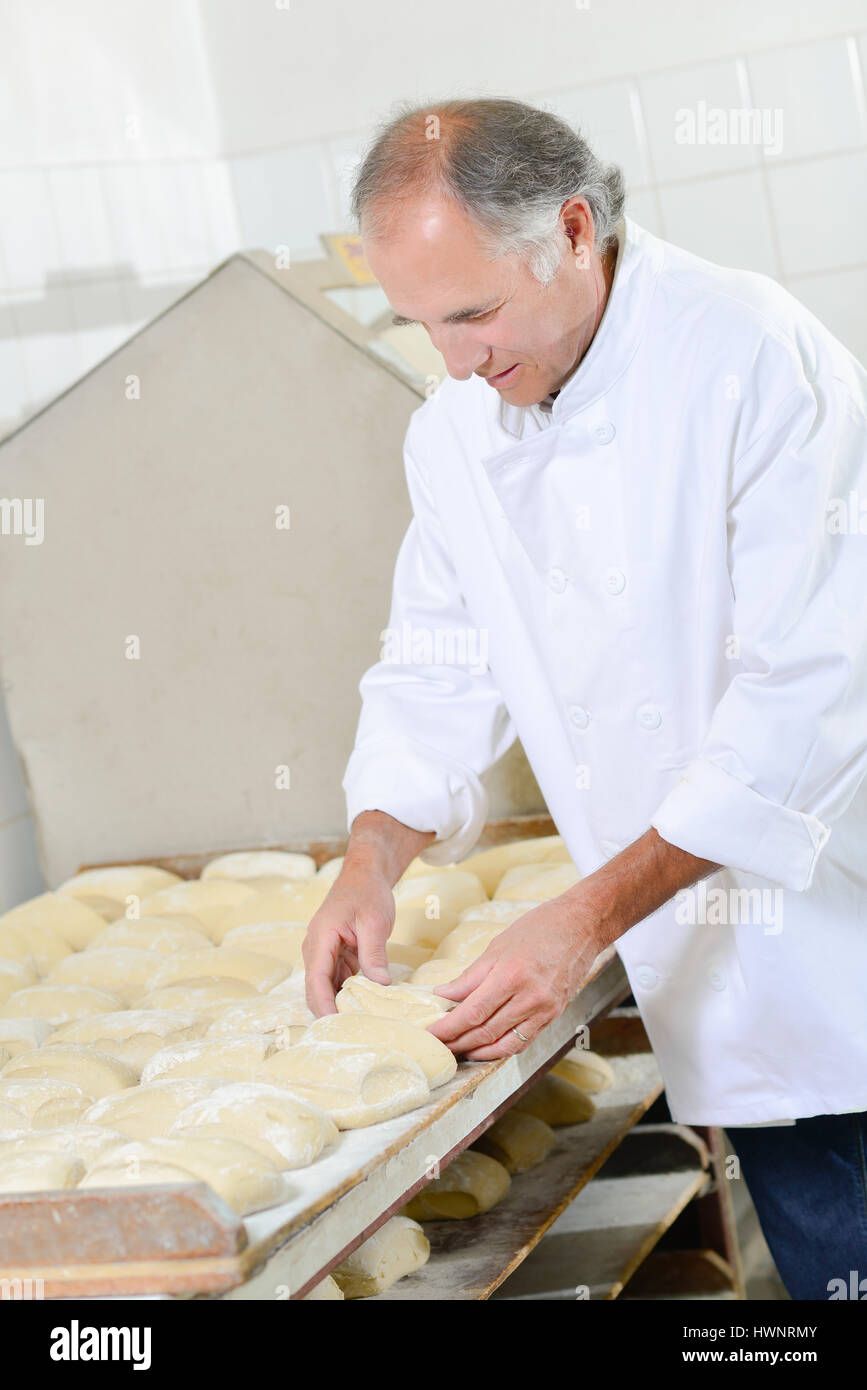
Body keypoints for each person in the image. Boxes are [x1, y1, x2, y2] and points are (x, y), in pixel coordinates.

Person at [303, 97, 867, 1299]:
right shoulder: (456, 426)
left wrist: (585, 918)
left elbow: (811, 699)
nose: (457, 361)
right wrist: (372, 857)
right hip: (734, 990)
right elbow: (436, 663)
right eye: (421, 326)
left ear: (573, 229)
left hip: (842, 943)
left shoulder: (747, 355)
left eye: (475, 314)